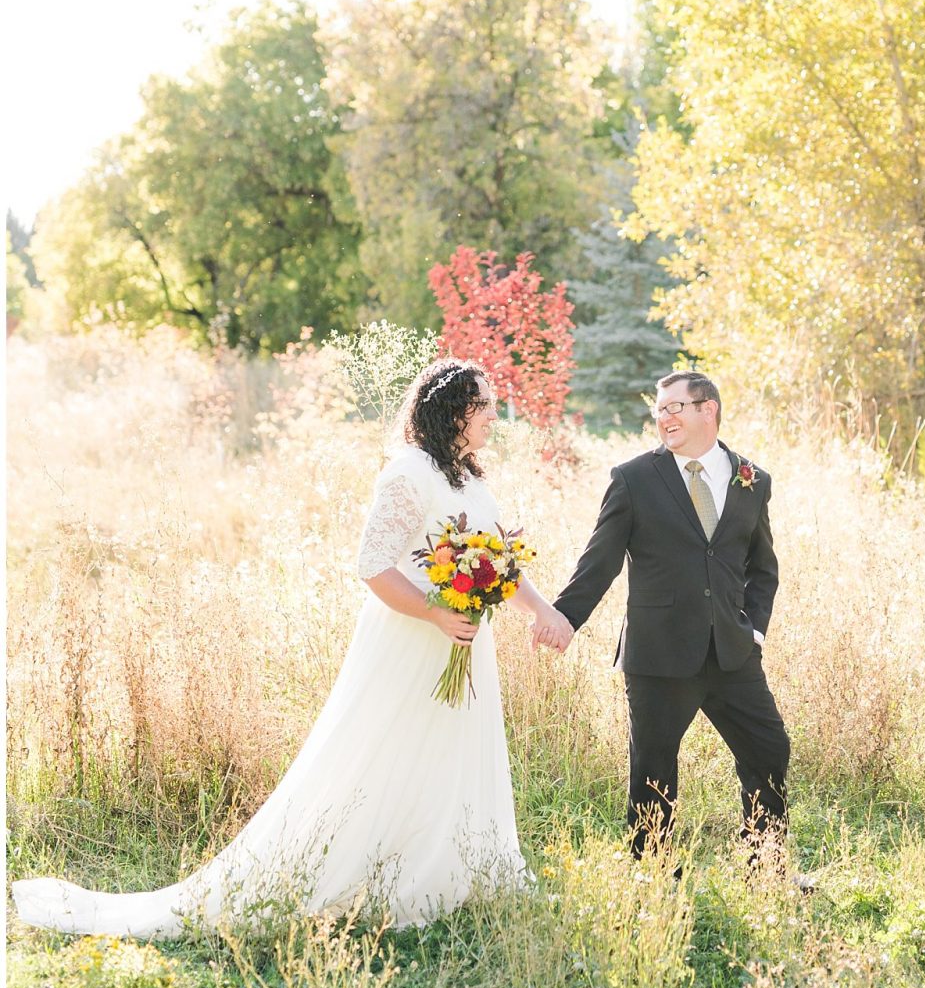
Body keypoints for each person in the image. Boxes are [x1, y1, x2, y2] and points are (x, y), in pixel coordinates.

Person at [13, 358, 564, 937]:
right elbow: (373, 565)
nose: (494, 417)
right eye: (485, 405)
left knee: (452, 756)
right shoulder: (409, 473)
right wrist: (434, 612)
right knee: (385, 757)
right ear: (453, 410)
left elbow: (496, 560)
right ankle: (371, 877)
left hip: (463, 642)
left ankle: (454, 872)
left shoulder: (469, 477)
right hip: (412, 640)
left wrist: (541, 609)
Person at [539, 370, 793, 875]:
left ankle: (765, 866)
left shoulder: (751, 479)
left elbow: (762, 568)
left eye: (675, 407)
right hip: (658, 654)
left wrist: (754, 630)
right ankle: (652, 876)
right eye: (659, 409)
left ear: (708, 410)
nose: (664, 417)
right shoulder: (633, 478)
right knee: (653, 770)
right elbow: (601, 561)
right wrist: (565, 616)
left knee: (770, 750)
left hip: (732, 652)